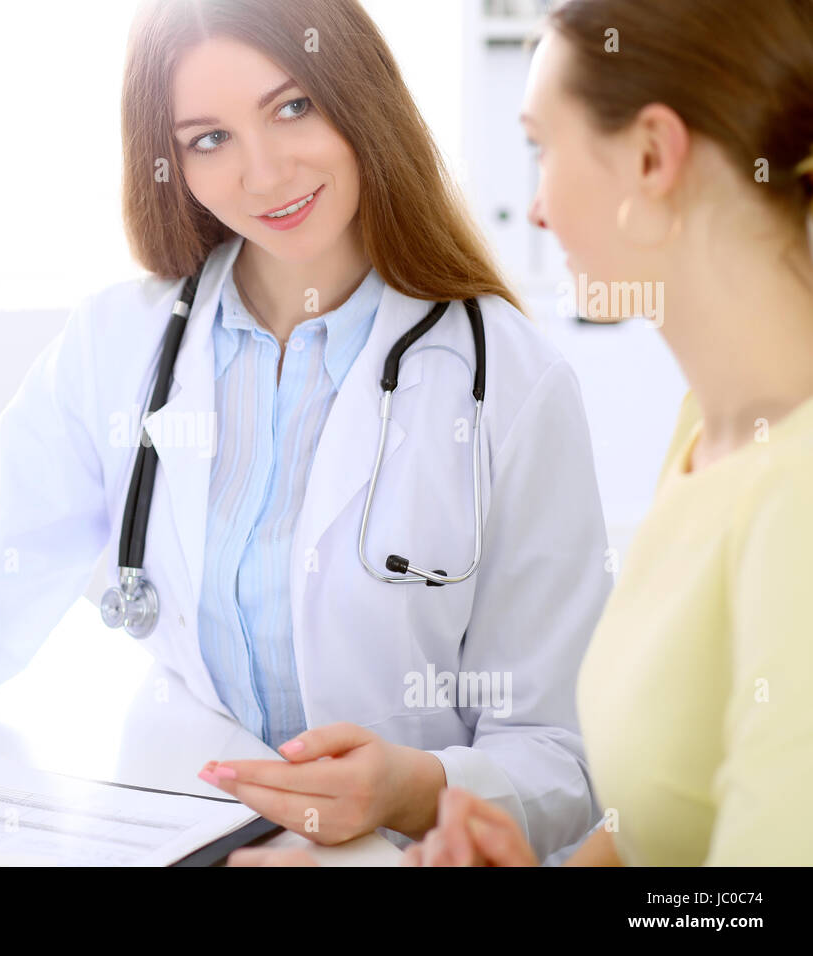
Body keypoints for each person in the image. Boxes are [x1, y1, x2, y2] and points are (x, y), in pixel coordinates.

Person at [0, 0, 613, 863]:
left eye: (293, 106)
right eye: (209, 139)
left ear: (361, 95)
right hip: (190, 833)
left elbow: (562, 759)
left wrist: (413, 787)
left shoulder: (506, 382)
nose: (264, 173)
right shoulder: (118, 344)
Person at [234, 0, 813, 867]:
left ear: (652, 157)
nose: (535, 210)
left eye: (543, 147)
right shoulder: (709, 429)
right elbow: (660, 822)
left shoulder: (797, 495)